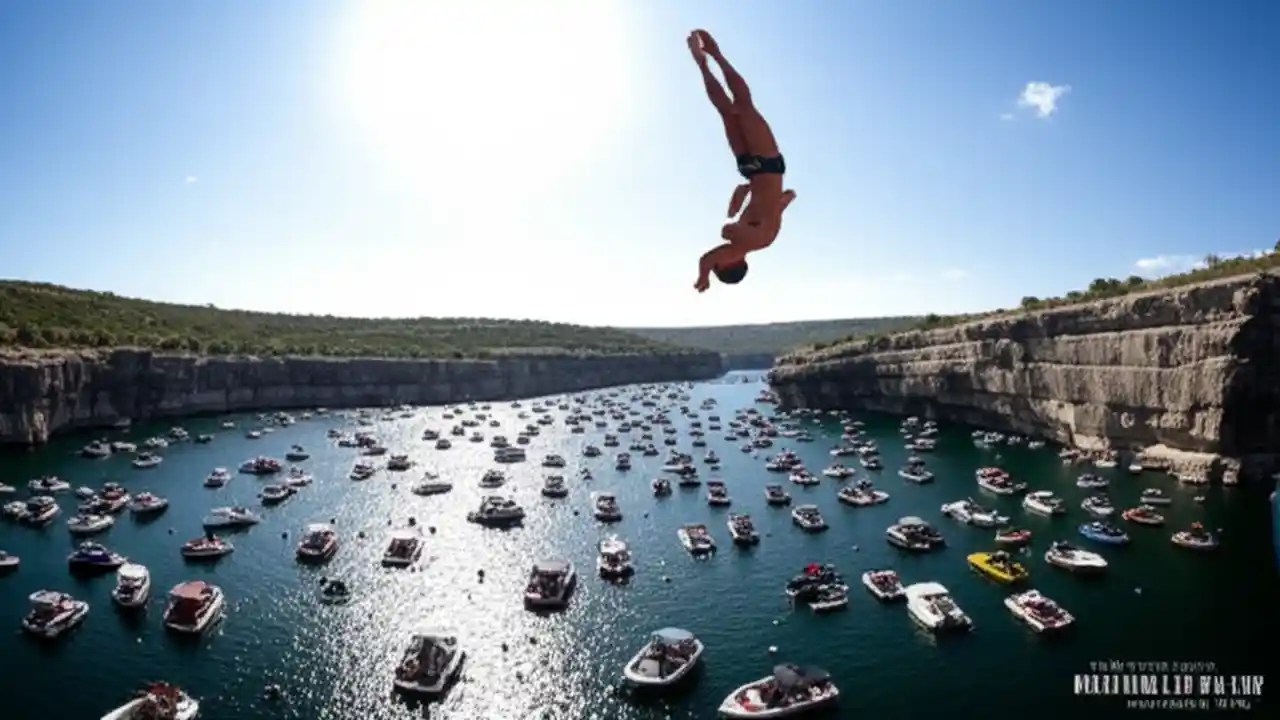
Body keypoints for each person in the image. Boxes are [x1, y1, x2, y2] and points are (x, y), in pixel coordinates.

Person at [688, 29, 796, 292]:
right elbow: (714, 250)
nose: (716, 259)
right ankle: (715, 55)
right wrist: (702, 277)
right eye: (718, 266)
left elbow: (772, 206)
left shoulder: (759, 238)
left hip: (754, 172)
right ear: (729, 265)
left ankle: (703, 65)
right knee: (744, 107)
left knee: (728, 113)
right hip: (767, 165)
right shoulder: (757, 241)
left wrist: (752, 197)